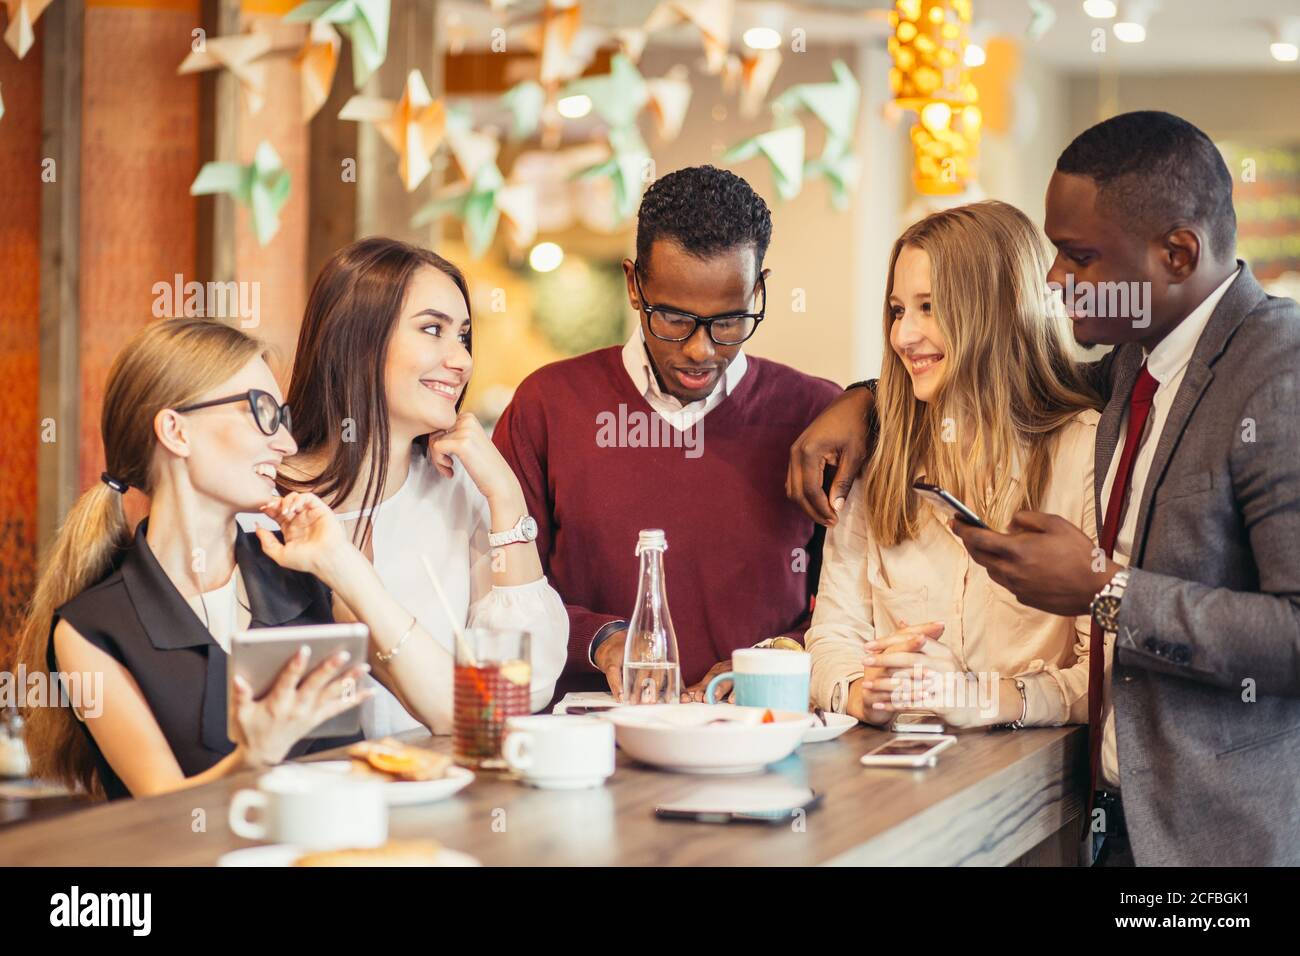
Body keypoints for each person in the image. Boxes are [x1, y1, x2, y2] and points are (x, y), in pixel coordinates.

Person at [788, 111, 1300, 867]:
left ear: (1177, 252)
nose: (1054, 281)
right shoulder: (1136, 363)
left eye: (1078, 256)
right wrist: (865, 398)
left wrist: (1104, 589)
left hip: (1219, 847)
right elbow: (1012, 385)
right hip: (1111, 820)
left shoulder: (1278, 376)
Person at [16, 319, 451, 799]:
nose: (286, 444)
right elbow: (162, 807)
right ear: (176, 431)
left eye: (282, 417)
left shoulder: (303, 574)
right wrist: (254, 756)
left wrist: (343, 565)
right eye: (263, 412)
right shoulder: (92, 629)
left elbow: (450, 714)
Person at [492, 165, 840, 704]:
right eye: (675, 319)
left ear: (759, 290)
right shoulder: (547, 405)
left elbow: (850, 603)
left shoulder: (816, 415)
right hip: (594, 743)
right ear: (634, 285)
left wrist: (774, 655)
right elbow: (499, 590)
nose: (702, 350)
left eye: (729, 320)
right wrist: (602, 640)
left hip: (763, 735)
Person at [805, 200, 1100, 731]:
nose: (903, 336)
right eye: (898, 310)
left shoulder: (1085, 454)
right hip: (893, 779)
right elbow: (832, 632)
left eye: (929, 307)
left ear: (1001, 310)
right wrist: (855, 691)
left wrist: (980, 696)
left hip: (1033, 793)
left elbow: (1103, 676)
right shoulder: (880, 456)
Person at [272, 238, 567, 736]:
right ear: (357, 338)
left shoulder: (459, 491)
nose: (462, 361)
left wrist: (506, 495)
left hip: (450, 794)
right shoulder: (265, 503)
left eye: (464, 337)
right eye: (433, 330)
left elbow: (523, 689)